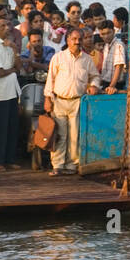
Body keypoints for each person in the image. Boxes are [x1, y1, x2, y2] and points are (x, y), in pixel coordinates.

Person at [43, 27, 102, 175]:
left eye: (79, 39)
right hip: (59, 100)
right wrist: (48, 99)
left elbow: (95, 76)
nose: (77, 42)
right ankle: (57, 165)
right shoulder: (58, 57)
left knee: (75, 135)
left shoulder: (87, 59)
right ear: (67, 40)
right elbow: (50, 79)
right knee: (60, 134)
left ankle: (71, 165)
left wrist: (94, 86)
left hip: (77, 101)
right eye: (74, 39)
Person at [0, 17, 22, 170]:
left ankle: (9, 159)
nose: (7, 28)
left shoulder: (9, 45)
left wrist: (15, 49)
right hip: (0, 92)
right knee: (0, 128)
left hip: (13, 91)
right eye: (2, 26)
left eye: (8, 25)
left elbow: (19, 67)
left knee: (12, 126)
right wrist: (12, 70)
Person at [99, 19, 126, 92]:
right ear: (100, 34)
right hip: (106, 81)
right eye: (103, 34)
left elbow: (119, 66)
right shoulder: (106, 46)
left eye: (108, 33)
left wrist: (112, 86)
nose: (106, 36)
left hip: (115, 83)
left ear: (113, 31)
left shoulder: (118, 45)